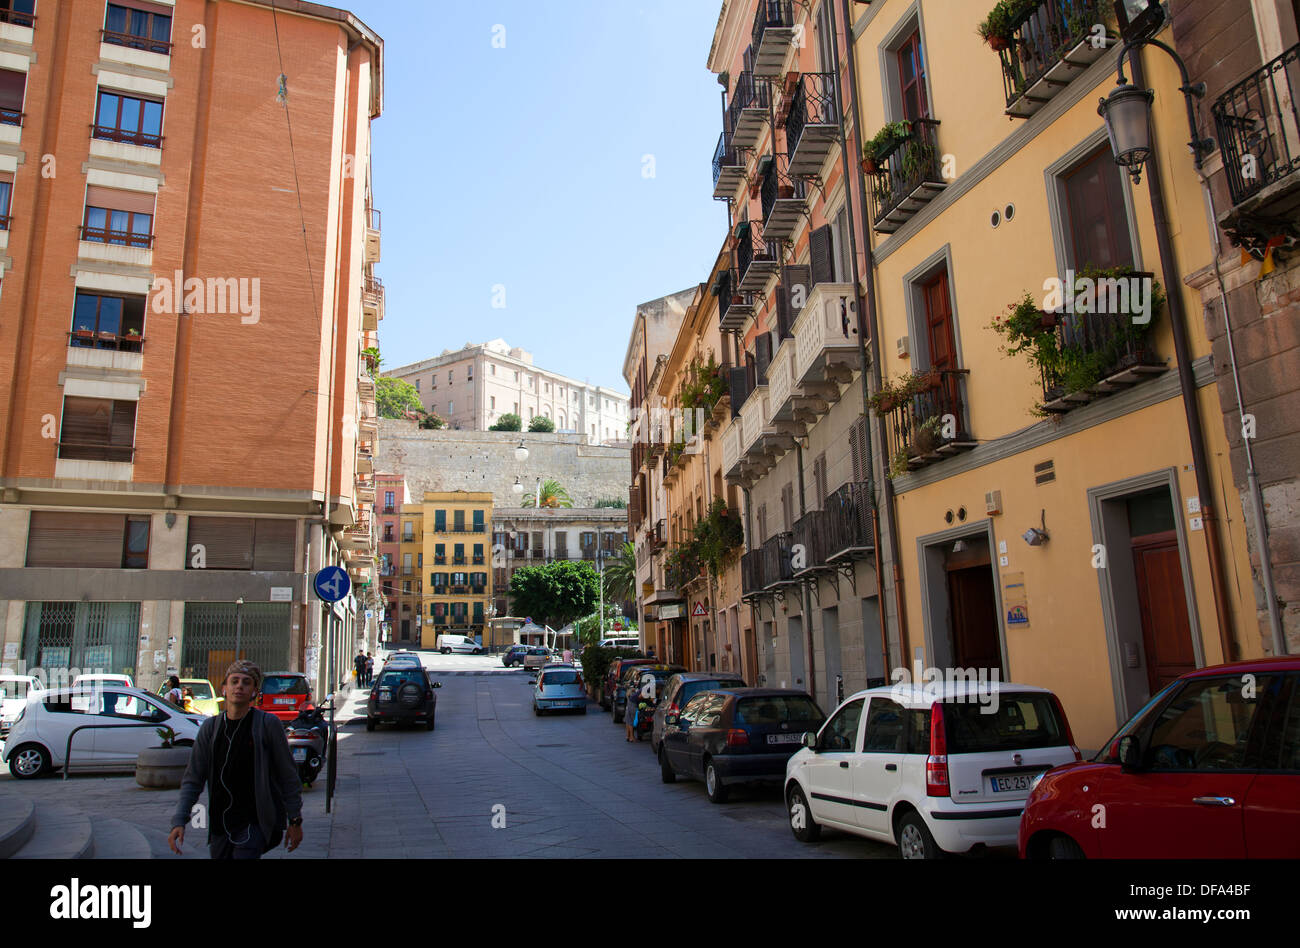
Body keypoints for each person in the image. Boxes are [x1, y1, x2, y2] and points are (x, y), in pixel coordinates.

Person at [168, 660, 303, 859]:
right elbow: (193, 778)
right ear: (224, 688)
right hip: (220, 825)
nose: (240, 686)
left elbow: (288, 775)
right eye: (235, 681)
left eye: (246, 682)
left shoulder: (267, 725)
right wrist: (179, 821)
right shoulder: (210, 728)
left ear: (254, 691)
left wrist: (295, 820)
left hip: (254, 822)